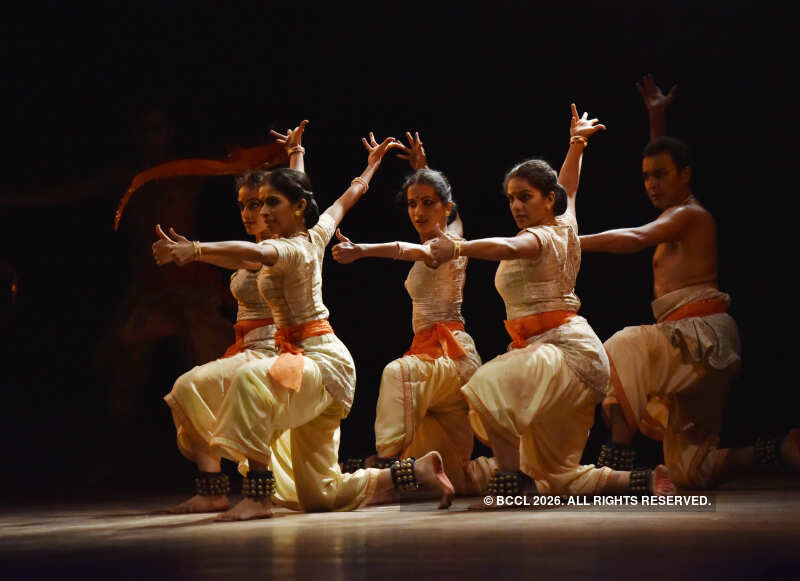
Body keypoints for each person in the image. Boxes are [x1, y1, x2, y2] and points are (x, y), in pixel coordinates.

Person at [156, 133, 454, 521]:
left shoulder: (291, 248)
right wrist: (360, 166)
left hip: (322, 363)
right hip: (306, 365)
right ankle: (415, 471)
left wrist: (196, 249)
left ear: (298, 207)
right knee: (320, 494)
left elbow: (255, 250)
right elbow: (346, 198)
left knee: (250, 381)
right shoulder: (315, 234)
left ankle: (258, 496)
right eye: (260, 203)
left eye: (271, 203)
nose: (263, 212)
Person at [429, 105, 675, 497]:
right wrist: (576, 145)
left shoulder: (539, 237)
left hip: (563, 354)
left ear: (547, 199)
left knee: (490, 384)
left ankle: (513, 483)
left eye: (525, 197)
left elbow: (507, 246)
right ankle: (642, 480)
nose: (516, 206)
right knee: (555, 474)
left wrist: (459, 247)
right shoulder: (565, 223)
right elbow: (570, 188)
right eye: (511, 198)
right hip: (574, 358)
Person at [581, 76, 799, 487]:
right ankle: (780, 448)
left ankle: (617, 467)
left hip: (697, 338)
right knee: (690, 469)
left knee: (620, 351)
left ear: (686, 175)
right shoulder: (677, 211)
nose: (652, 184)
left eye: (660, 176)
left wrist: (571, 241)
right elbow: (663, 159)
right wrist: (657, 119)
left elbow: (636, 238)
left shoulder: (689, 215)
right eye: (646, 177)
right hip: (699, 349)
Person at [154, 121, 309, 513]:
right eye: (243, 205)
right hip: (247, 349)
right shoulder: (248, 251)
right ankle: (213, 490)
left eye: (257, 204)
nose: (249, 212)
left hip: (277, 350)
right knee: (190, 388)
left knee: (229, 385)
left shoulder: (282, 247)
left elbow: (293, 199)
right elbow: (236, 256)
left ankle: (253, 493)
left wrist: (195, 249)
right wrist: (191, 252)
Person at [332, 132, 495, 494]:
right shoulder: (452, 229)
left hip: (451, 355)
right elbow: (442, 220)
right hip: (434, 355)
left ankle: (383, 468)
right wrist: (422, 167)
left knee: (398, 374)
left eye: (428, 203)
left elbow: (408, 251)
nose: (419, 212)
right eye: (412, 204)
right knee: (457, 477)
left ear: (445, 207)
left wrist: (363, 250)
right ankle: (529, 469)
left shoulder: (447, 244)